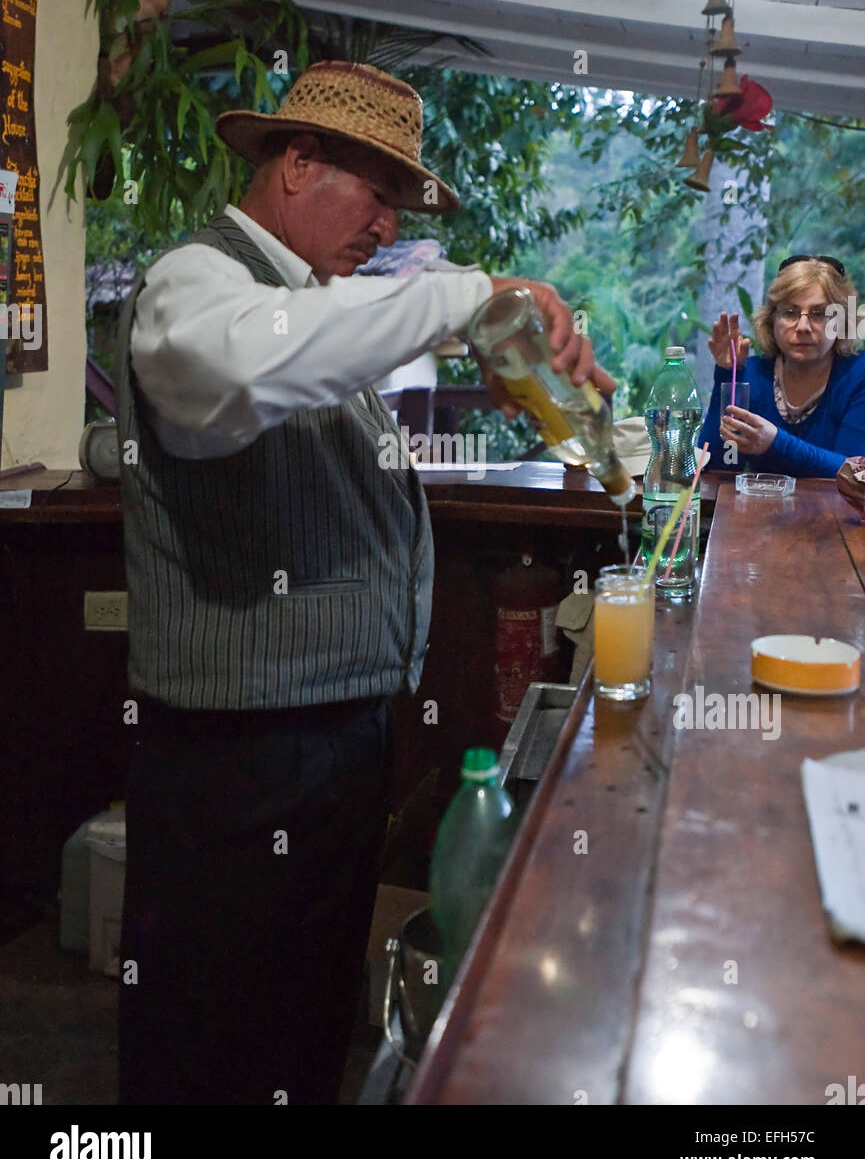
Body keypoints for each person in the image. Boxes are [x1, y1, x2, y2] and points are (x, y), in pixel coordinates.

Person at [114, 60, 614, 1105]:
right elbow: (243, 368)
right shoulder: (195, 283)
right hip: (241, 756)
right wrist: (470, 293)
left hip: (323, 738)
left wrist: (490, 356)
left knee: (295, 1026)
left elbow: (309, 370)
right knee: (212, 1042)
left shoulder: (304, 303)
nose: (387, 228)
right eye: (378, 196)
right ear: (297, 164)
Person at [698, 254, 865, 476]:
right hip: (761, 509)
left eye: (819, 314)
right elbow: (717, 465)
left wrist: (776, 443)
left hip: (838, 512)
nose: (803, 326)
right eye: (790, 313)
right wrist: (728, 375)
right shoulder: (753, 373)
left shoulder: (858, 375)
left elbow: (855, 474)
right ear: (771, 320)